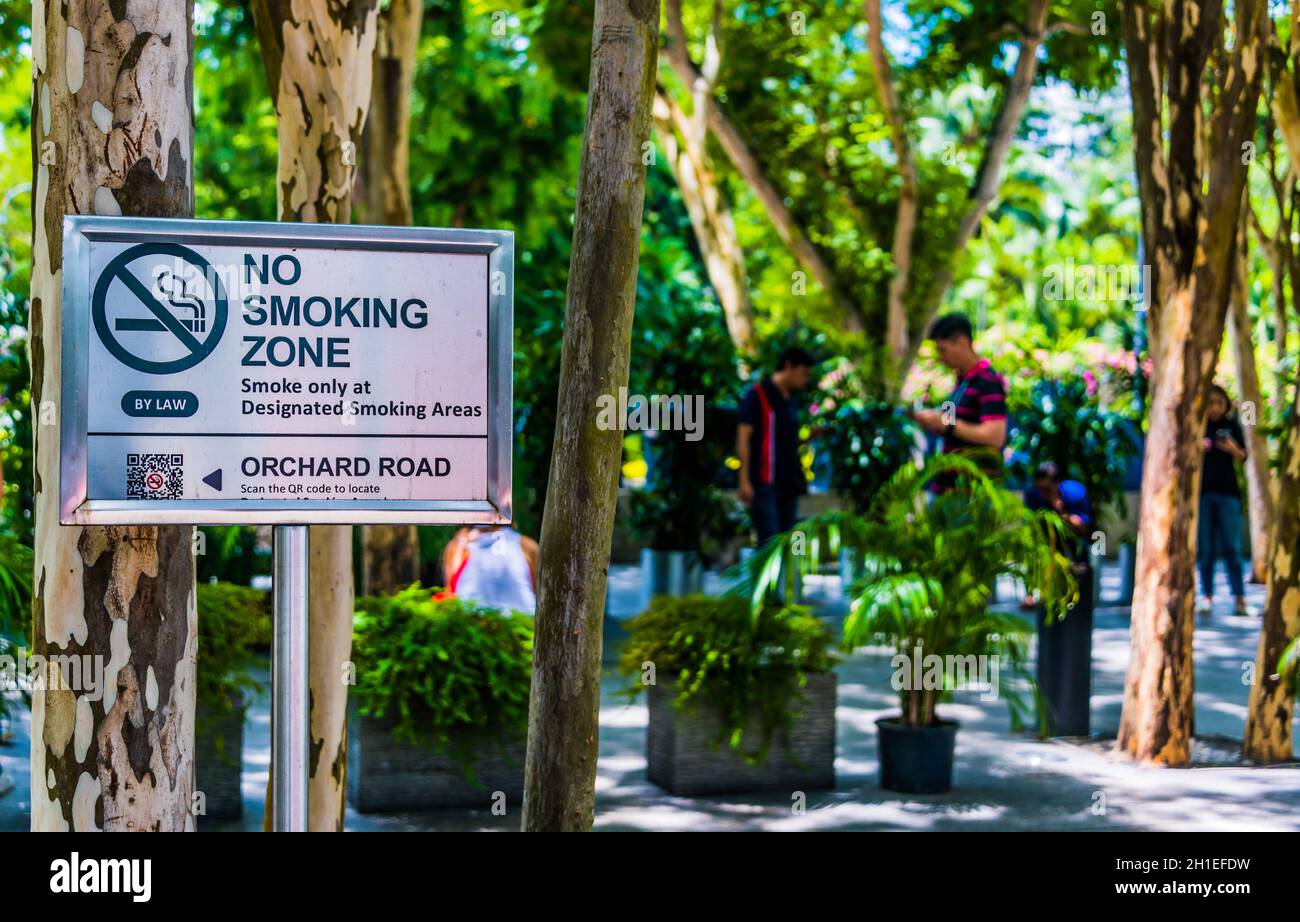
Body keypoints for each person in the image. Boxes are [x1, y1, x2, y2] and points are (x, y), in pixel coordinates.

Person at [1023, 462, 1096, 736]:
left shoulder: (1074, 493)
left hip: (1073, 548)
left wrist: (1059, 510)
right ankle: (1033, 591)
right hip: (1045, 549)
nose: (1042, 492)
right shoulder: (1032, 496)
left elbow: (1082, 527)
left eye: (1047, 487)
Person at [911, 314, 1007, 487]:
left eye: (943, 350)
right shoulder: (962, 381)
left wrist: (947, 424)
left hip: (972, 489)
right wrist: (934, 422)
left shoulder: (987, 381)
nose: (941, 357)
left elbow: (995, 436)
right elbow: (952, 425)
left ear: (962, 342)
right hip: (950, 485)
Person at [736, 347, 815, 545]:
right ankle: (766, 577)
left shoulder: (790, 401)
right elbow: (743, 436)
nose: (805, 380)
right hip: (764, 484)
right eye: (803, 374)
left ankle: (790, 577)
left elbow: (785, 442)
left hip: (789, 483)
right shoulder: (758, 395)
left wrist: (809, 438)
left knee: (789, 542)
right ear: (788, 366)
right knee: (769, 544)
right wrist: (743, 479)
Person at [1197, 384, 1250, 617]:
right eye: (1210, 403)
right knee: (1205, 549)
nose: (1215, 408)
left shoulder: (1232, 425)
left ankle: (1239, 598)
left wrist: (1232, 448)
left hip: (1228, 494)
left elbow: (1244, 456)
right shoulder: (1199, 426)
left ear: (1226, 404)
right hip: (1203, 494)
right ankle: (1206, 596)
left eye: (1219, 403)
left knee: (1232, 547)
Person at [441, 525, 539, 616]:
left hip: (473, 628)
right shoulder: (526, 546)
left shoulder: (459, 547)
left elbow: (451, 597)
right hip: (520, 628)